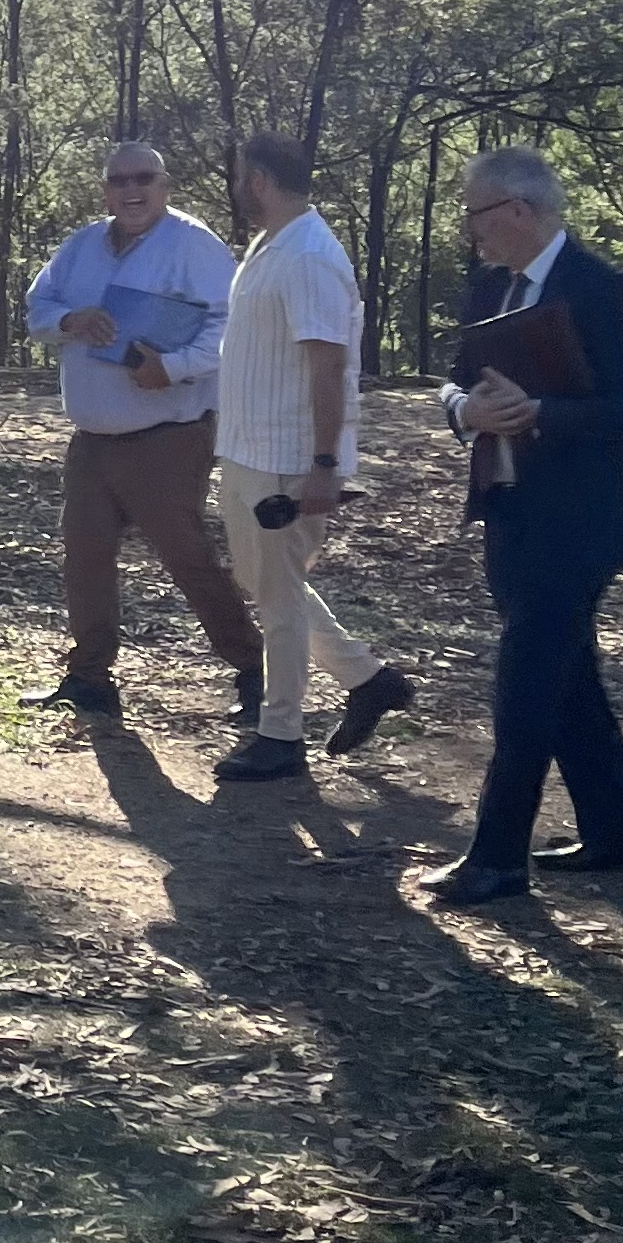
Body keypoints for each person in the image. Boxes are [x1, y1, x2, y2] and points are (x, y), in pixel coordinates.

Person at [424, 146, 623, 909]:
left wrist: (544, 415)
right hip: (512, 509)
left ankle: (498, 857)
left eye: (477, 214)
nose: (472, 233)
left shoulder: (601, 289)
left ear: (519, 211)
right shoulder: (491, 287)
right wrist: (466, 411)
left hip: (587, 517)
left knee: (528, 678)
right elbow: (455, 383)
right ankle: (621, 836)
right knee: (566, 677)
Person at [23, 142, 265, 720]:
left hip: (166, 435)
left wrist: (173, 367)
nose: (131, 191)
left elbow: (234, 328)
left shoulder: (193, 246)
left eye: (144, 179)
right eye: (118, 181)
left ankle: (257, 673)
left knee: (187, 557)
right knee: (84, 555)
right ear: (105, 188)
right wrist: (68, 320)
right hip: (92, 438)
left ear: (166, 184)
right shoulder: (82, 246)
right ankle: (89, 677)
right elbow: (39, 305)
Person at [211, 135, 410, 785]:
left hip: (286, 458)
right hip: (246, 450)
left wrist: (324, 464)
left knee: (279, 599)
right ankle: (368, 680)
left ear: (261, 180)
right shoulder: (269, 245)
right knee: (267, 584)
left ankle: (281, 734)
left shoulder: (309, 257)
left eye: (242, 176)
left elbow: (328, 363)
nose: (238, 185)